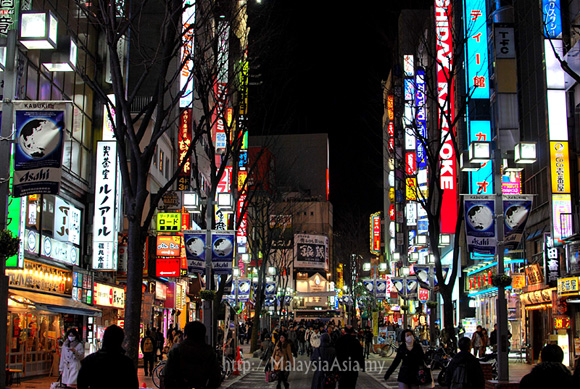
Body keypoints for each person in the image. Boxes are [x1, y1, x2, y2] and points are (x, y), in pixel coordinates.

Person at [77, 325, 139, 389]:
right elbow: (133, 385)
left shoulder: (90, 361)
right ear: (121, 341)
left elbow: (81, 383)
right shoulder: (126, 363)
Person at [163, 321, 221, 389]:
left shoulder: (177, 352)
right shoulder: (209, 353)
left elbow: (167, 376)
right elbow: (216, 377)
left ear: (186, 334)